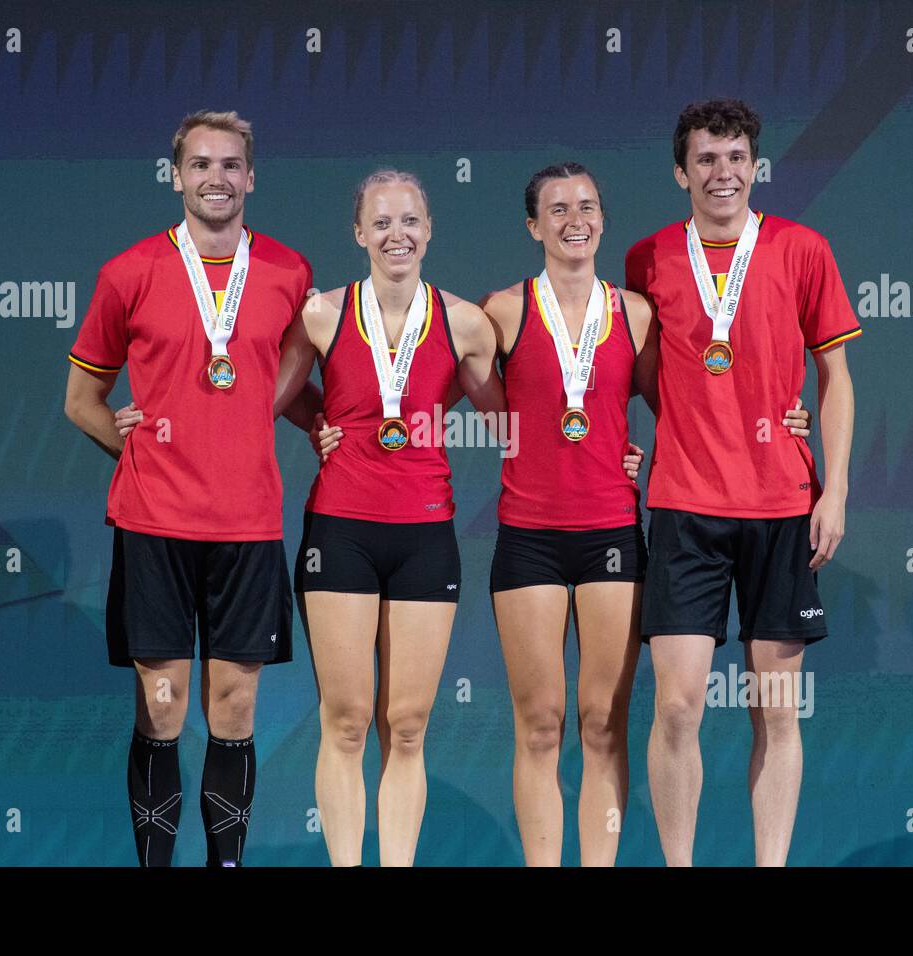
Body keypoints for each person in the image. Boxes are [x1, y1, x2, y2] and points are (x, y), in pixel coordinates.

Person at [476, 163, 811, 866]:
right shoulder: (501, 312)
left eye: (588, 206)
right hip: (528, 536)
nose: (576, 219)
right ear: (533, 225)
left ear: (602, 218)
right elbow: (450, 400)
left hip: (611, 532)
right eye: (558, 208)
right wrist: (330, 425)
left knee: (602, 724)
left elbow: (688, 402)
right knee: (539, 725)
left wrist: (783, 423)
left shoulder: (635, 313)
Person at [64, 110, 317, 868]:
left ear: (251, 176)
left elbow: (297, 362)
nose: (217, 177)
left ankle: (225, 864)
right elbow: (82, 399)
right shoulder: (129, 271)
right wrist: (137, 446)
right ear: (177, 176)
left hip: (246, 524)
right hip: (156, 524)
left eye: (231, 164)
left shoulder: (287, 271)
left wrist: (249, 414)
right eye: (201, 164)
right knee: (163, 710)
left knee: (235, 710)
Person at [624, 98, 859, 866]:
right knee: (678, 708)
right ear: (680, 171)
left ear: (754, 166)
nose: (721, 174)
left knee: (775, 713)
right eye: (705, 160)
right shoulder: (648, 258)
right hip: (685, 508)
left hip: (781, 506)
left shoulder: (802, 248)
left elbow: (836, 377)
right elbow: (632, 376)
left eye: (734, 159)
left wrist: (836, 491)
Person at [275, 170, 502, 866]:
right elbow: (263, 397)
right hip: (341, 530)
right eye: (381, 223)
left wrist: (616, 451)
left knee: (405, 727)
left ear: (430, 231)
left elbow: (514, 419)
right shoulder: (322, 315)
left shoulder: (466, 322)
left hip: (425, 536)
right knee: (344, 723)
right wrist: (320, 422)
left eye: (409, 221)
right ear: (359, 233)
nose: (396, 234)